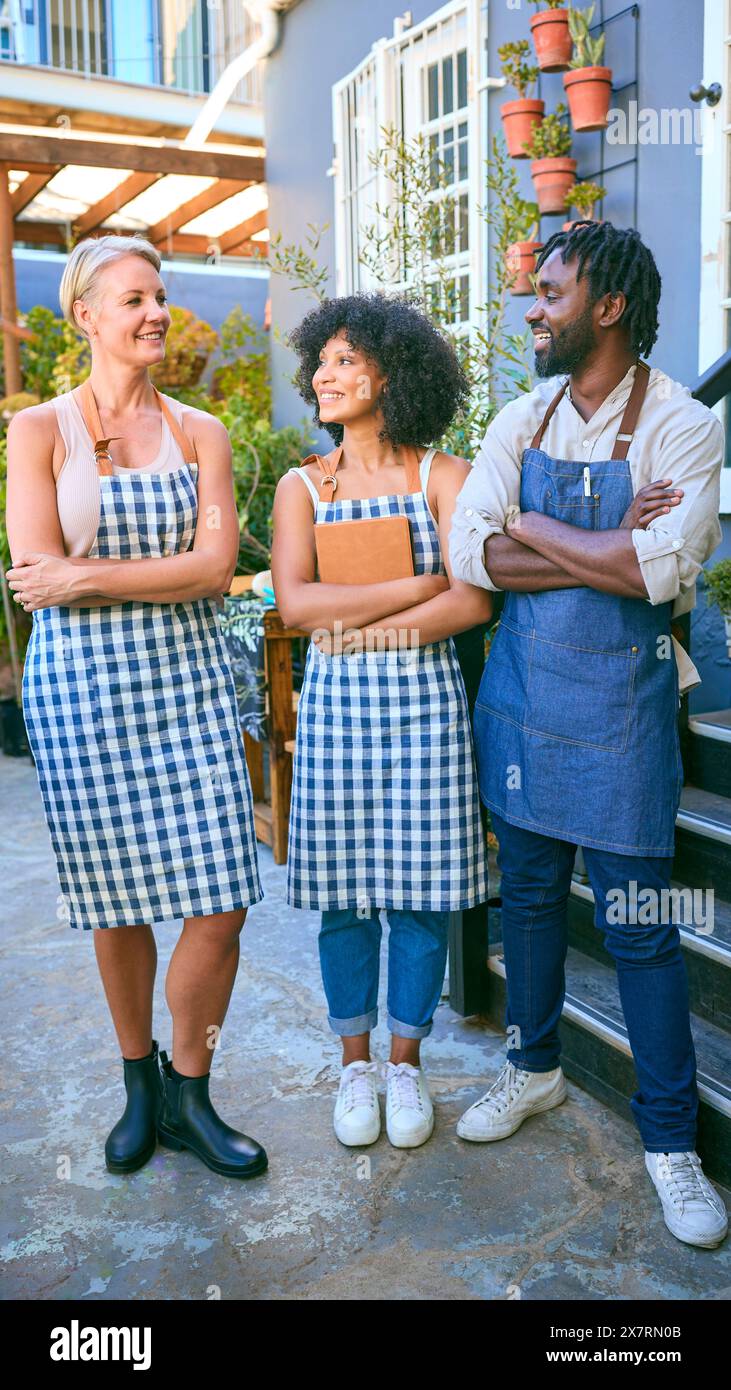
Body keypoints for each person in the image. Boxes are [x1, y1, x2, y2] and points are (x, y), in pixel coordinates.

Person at [449, 221, 728, 1250]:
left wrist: (529, 525)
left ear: (605, 307)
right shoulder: (520, 417)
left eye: (550, 291)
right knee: (524, 899)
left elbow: (657, 572)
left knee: (641, 928)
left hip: (619, 711)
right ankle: (531, 1067)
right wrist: (596, 545)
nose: (532, 307)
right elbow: (465, 555)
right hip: (524, 700)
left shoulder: (683, 426)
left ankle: (669, 1143)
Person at [5, 234, 267, 1182]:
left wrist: (91, 576)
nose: (155, 312)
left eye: (159, 295)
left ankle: (192, 1089)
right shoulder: (40, 431)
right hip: (81, 695)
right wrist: (85, 579)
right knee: (116, 904)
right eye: (133, 300)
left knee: (222, 899)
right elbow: (37, 576)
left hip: (188, 687)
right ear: (86, 316)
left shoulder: (203, 433)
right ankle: (138, 1086)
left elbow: (213, 569)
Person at [271, 293, 490, 1149]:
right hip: (334, 715)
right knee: (342, 898)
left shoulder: (446, 475)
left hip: (423, 712)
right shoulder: (301, 486)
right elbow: (295, 604)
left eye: (344, 361)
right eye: (319, 362)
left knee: (422, 894)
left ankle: (406, 1066)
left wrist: (360, 623)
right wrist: (410, 588)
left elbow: (471, 602)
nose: (323, 376)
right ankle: (353, 1067)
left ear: (390, 374)